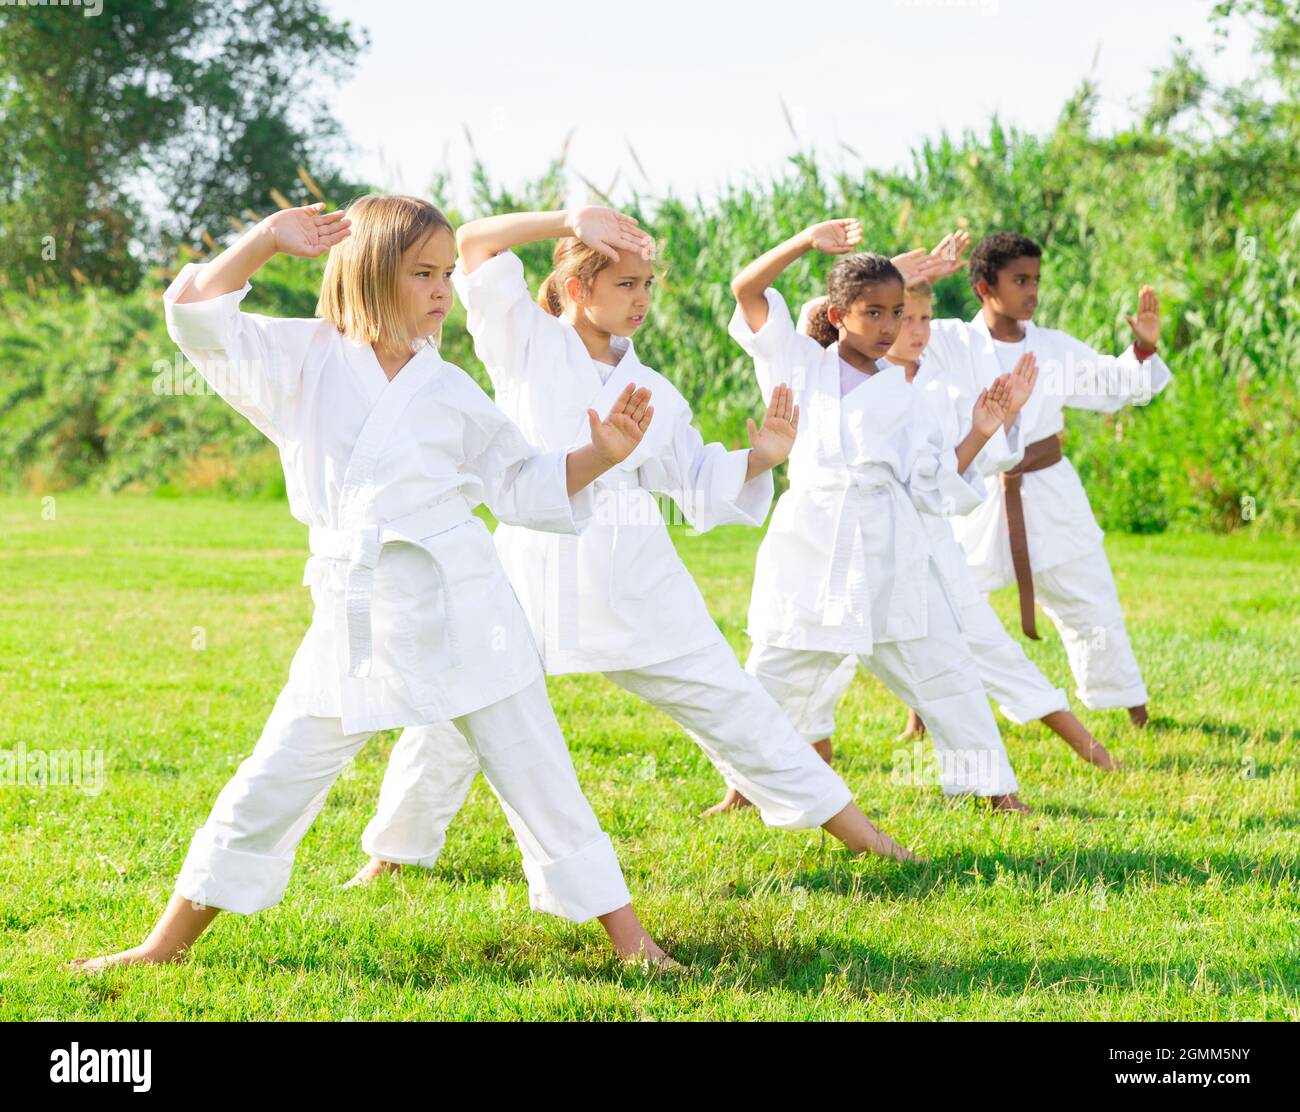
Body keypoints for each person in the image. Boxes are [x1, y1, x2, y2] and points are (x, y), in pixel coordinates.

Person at [71, 195, 681, 972]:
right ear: (367, 273)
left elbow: (523, 482)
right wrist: (262, 240)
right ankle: (163, 946)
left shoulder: (450, 387)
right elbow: (196, 316)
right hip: (356, 607)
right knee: (274, 775)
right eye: (422, 273)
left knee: (539, 771)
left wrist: (601, 455)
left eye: (448, 275)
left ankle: (635, 943)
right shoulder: (301, 360)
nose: (441, 291)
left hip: (465, 603)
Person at [348, 206, 920, 889]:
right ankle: (394, 851)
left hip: (633, 570)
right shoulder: (524, 341)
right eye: (625, 285)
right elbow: (473, 243)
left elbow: (695, 479)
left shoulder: (656, 390)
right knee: (456, 708)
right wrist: (568, 219)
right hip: (530, 562)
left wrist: (762, 454)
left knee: (731, 700)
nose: (642, 300)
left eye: (648, 285)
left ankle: (859, 832)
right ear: (576, 288)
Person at [721, 218, 1031, 815]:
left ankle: (994, 789)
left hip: (888, 550)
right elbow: (746, 290)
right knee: (775, 670)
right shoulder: (798, 365)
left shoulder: (904, 397)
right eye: (874, 313)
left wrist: (980, 431)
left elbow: (934, 482)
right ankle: (742, 787)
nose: (890, 327)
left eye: (898, 313)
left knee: (944, 670)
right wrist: (805, 241)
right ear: (837, 317)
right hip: (812, 544)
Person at [922, 231, 1170, 727]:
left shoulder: (1053, 349)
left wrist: (1142, 349)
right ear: (983, 288)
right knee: (946, 598)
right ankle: (923, 711)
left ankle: (1133, 705)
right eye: (1019, 281)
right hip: (978, 493)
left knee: (1091, 598)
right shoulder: (948, 341)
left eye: (1035, 279)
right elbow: (891, 328)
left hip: (1049, 487)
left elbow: (1116, 385)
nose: (1032, 291)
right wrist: (921, 274)